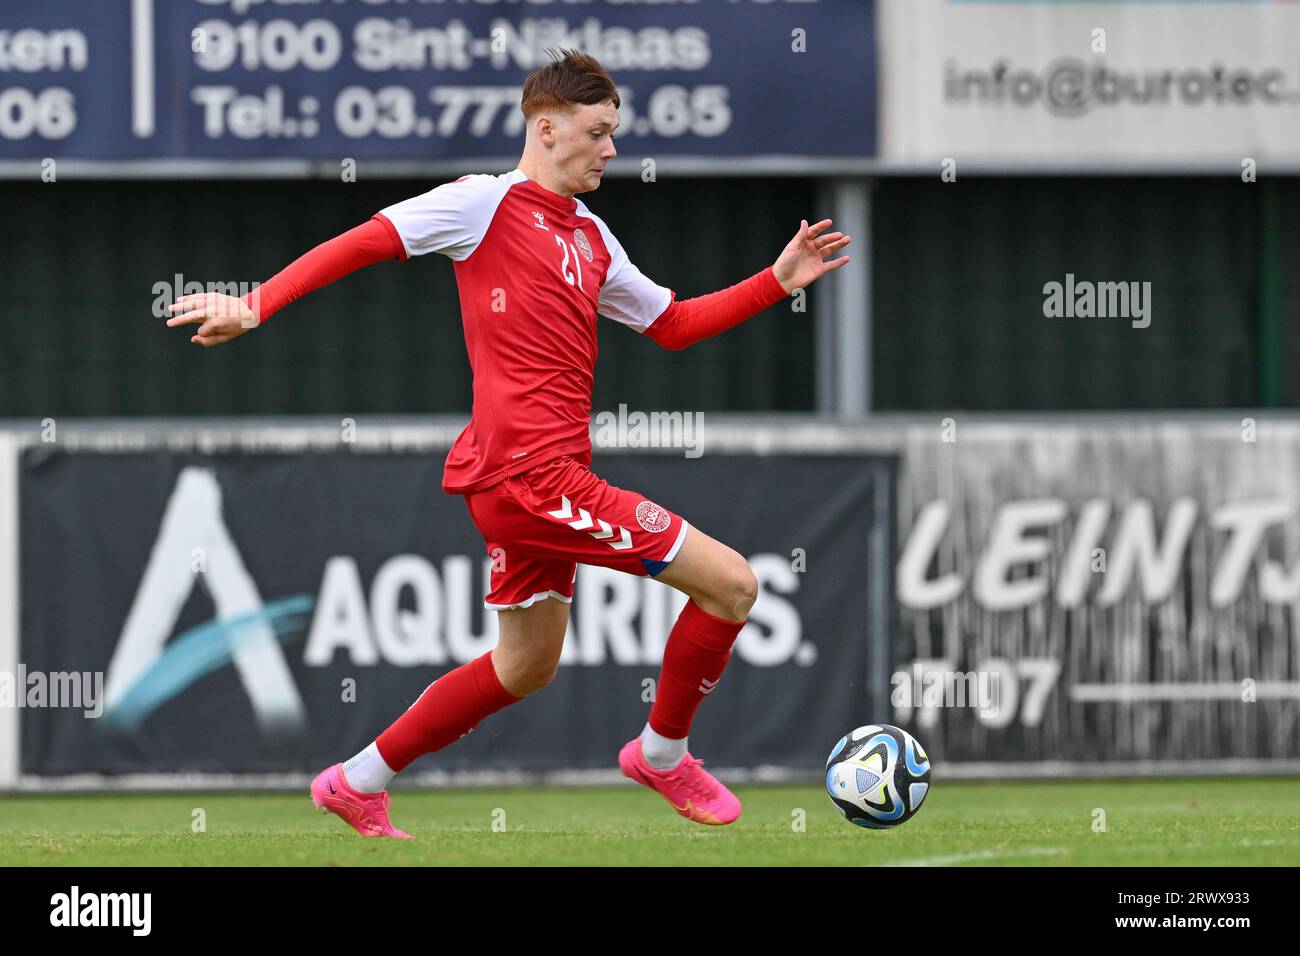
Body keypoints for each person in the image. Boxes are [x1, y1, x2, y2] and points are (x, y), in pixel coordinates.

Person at [166, 49, 851, 838]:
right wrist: (257, 305)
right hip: (530, 477)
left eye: (614, 134)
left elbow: (673, 326)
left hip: (534, 482)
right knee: (731, 585)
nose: (612, 150)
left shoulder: (593, 236)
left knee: (525, 666)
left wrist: (777, 279)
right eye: (598, 133)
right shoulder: (481, 204)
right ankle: (662, 755)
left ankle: (357, 781)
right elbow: (363, 241)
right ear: (547, 127)